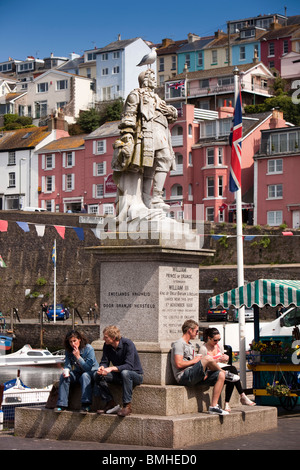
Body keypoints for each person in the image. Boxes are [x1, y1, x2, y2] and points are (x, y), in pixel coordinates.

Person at [112, 68, 178, 219]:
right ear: (145, 79)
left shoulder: (158, 99)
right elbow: (128, 116)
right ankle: (147, 200)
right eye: (152, 77)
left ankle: (157, 197)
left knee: (164, 160)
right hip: (147, 133)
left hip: (162, 133)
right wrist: (128, 136)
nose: (155, 80)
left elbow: (173, 115)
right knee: (148, 168)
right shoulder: (135, 95)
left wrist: (170, 111)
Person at [171, 319, 240, 416]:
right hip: (184, 376)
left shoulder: (190, 345)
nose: (197, 333)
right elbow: (178, 364)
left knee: (220, 375)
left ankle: (214, 406)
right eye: (196, 331)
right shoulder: (179, 344)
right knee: (207, 358)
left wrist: (203, 370)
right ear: (189, 330)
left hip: (194, 374)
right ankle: (225, 373)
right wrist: (195, 361)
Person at [200, 327, 256, 412]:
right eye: (215, 340)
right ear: (209, 338)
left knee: (231, 377)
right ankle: (242, 395)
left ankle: (227, 403)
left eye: (219, 339)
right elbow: (202, 365)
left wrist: (226, 358)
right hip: (211, 371)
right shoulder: (203, 349)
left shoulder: (219, 346)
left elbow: (224, 362)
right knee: (233, 370)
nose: (217, 342)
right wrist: (217, 360)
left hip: (221, 369)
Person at [94, 325, 143, 417]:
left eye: (106, 337)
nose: (103, 338)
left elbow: (129, 365)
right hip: (119, 375)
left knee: (125, 373)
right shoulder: (107, 345)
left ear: (113, 338)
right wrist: (102, 367)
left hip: (135, 375)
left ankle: (127, 406)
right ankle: (110, 402)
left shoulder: (128, 344)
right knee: (97, 375)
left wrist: (111, 368)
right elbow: (105, 361)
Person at [55, 330, 99, 413]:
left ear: (79, 340)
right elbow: (67, 364)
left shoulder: (89, 349)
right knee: (64, 377)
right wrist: (66, 370)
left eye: (74, 341)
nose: (73, 344)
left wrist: (78, 357)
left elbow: (88, 368)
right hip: (78, 372)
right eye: (70, 342)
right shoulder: (69, 351)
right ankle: (62, 404)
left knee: (85, 376)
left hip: (92, 373)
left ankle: (86, 405)